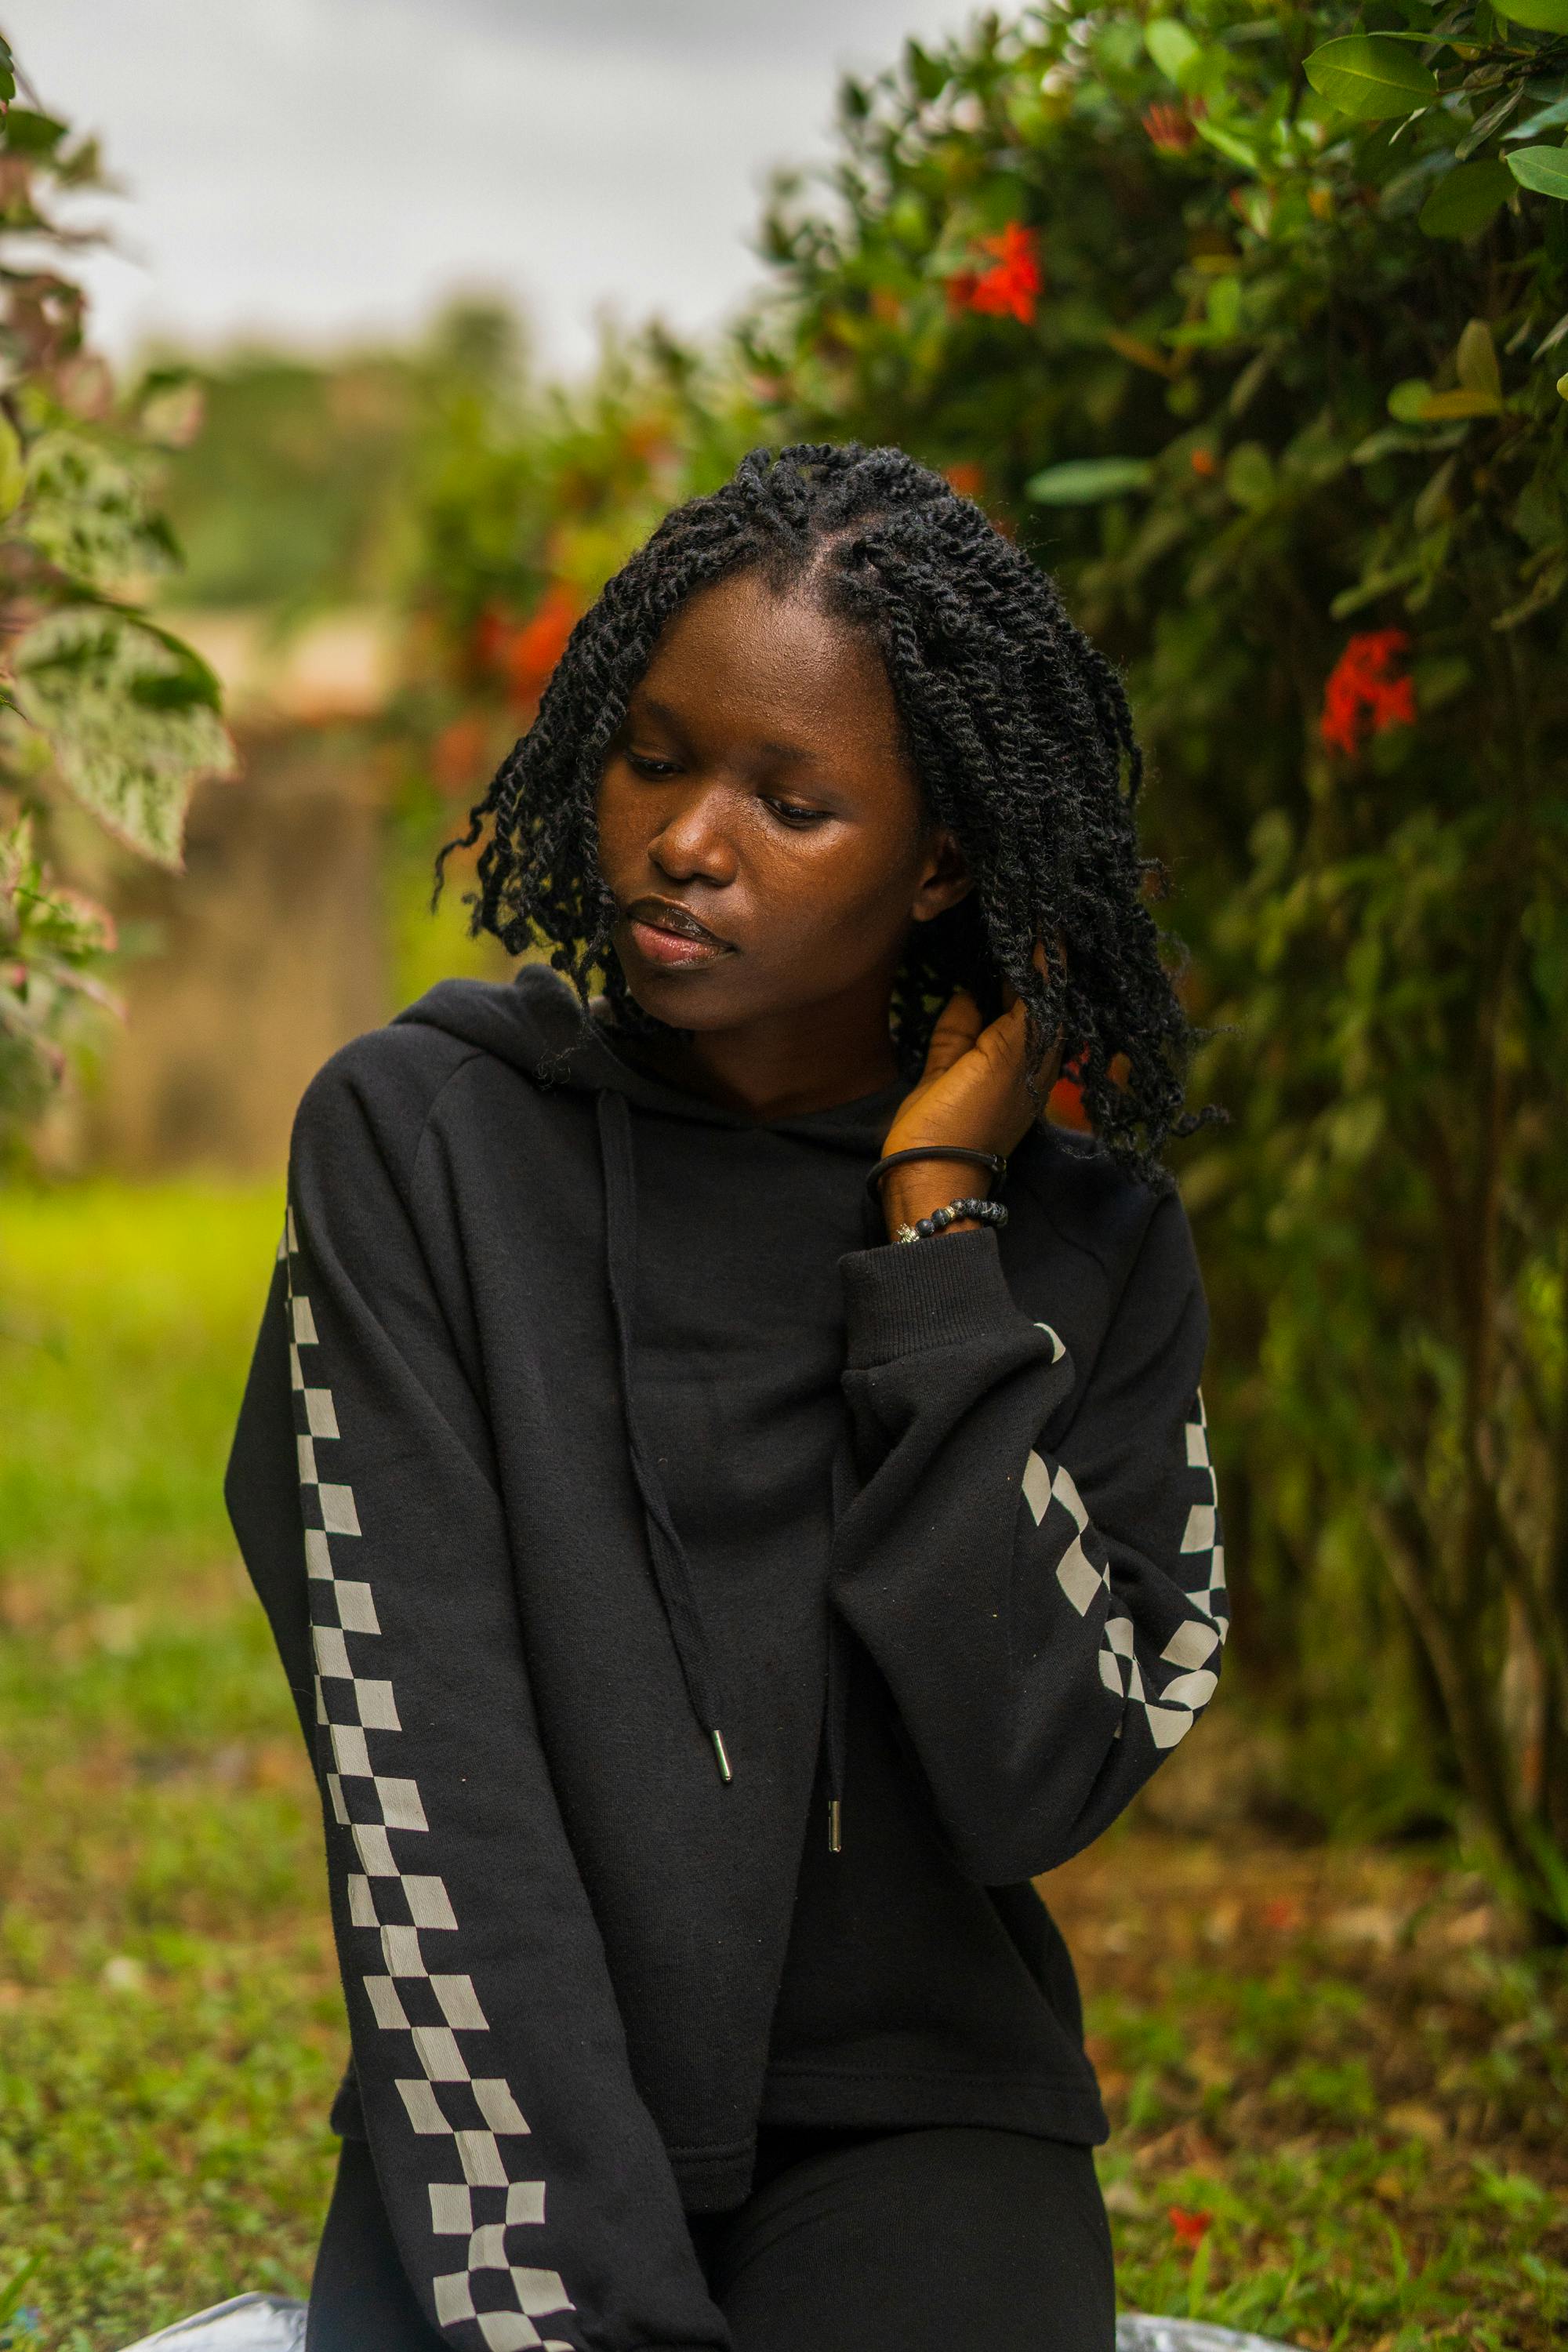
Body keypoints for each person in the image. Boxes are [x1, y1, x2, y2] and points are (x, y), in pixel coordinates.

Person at [225, 443, 1227, 2352]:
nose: (690, 841)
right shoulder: (425, 1149)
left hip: (925, 2119)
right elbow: (424, 1790)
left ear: (937, 859)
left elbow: (1047, 1775)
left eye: (793, 800)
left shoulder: (1079, 1252)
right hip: (501, 2113)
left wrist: (935, 1255)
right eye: (658, 756)